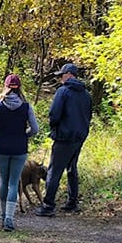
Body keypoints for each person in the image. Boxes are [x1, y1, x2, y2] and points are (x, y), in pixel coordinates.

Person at [0, 73, 39, 231]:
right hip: (19, 147)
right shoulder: (26, 106)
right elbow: (35, 129)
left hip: (2, 147)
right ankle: (9, 218)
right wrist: (25, 134)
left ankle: (2, 216)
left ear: (5, 87)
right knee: (14, 183)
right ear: (19, 87)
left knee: (4, 182)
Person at [35, 63, 92, 216]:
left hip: (64, 137)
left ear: (69, 74)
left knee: (54, 170)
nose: (60, 78)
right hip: (79, 137)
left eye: (61, 75)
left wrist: (53, 126)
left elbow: (54, 114)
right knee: (72, 168)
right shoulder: (86, 94)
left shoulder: (63, 91)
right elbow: (88, 115)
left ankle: (48, 206)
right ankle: (72, 202)